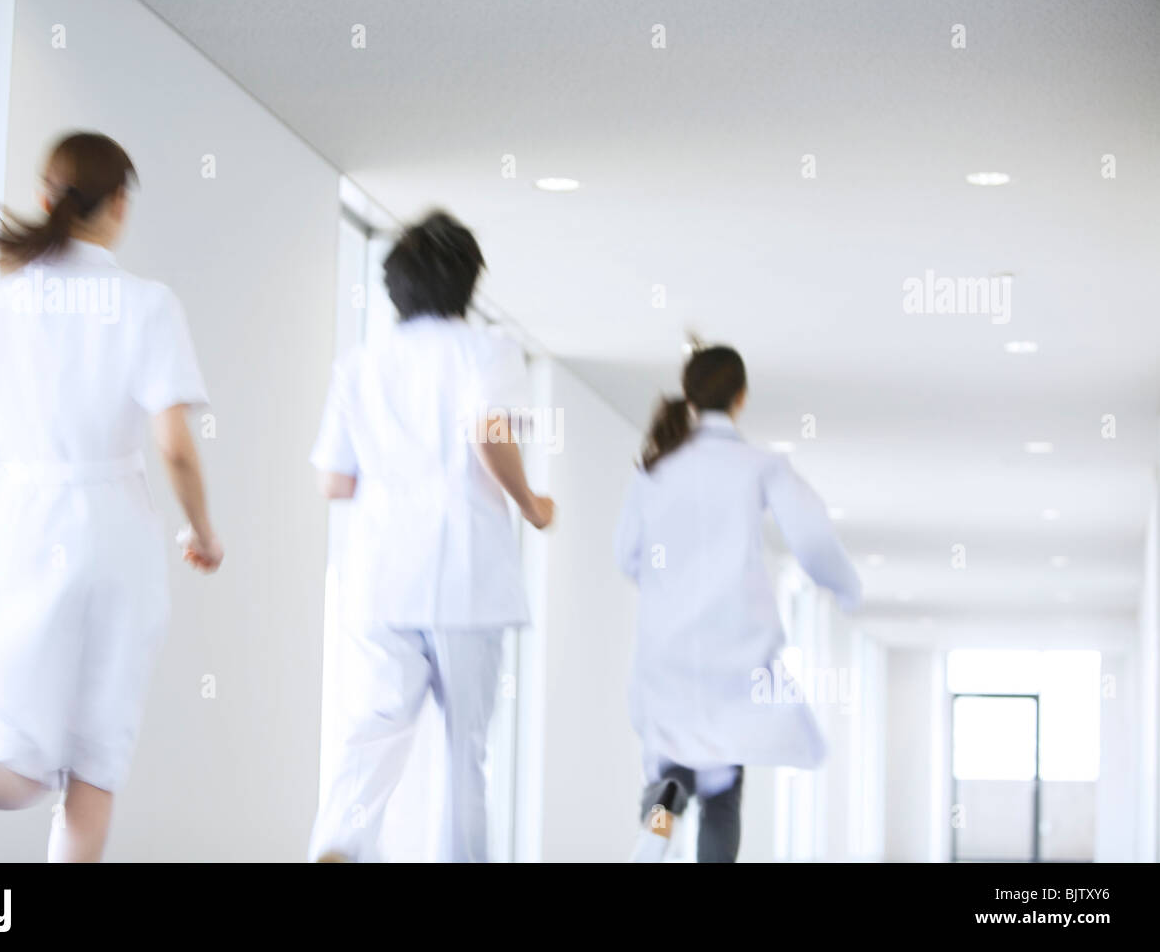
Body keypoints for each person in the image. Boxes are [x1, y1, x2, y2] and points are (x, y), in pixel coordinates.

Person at [0, 131, 222, 862]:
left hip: (14, 525)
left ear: (45, 199)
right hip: (112, 533)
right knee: (93, 768)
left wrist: (14, 519)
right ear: (118, 206)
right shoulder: (146, 304)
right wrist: (204, 532)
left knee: (19, 764)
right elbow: (173, 445)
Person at [308, 210, 554, 862]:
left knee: (374, 729)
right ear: (468, 282)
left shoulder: (360, 363)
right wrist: (530, 504)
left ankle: (339, 845)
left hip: (382, 575)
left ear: (395, 287)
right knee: (463, 749)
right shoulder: (486, 350)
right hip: (463, 574)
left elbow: (333, 479)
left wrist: (395, 479)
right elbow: (489, 432)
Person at [614, 344, 860, 863]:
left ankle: (653, 837)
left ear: (690, 395)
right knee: (723, 795)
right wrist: (845, 587)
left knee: (673, 772)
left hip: (667, 651)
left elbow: (626, 554)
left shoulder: (655, 467)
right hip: (735, 650)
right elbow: (812, 540)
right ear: (741, 398)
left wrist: (668, 587)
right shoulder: (760, 466)